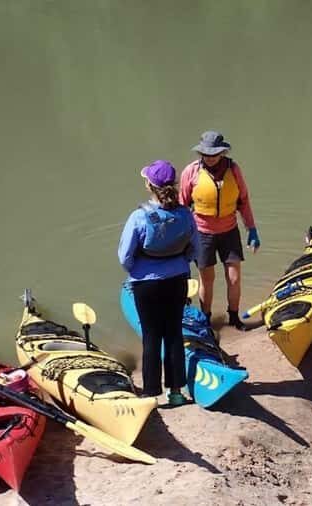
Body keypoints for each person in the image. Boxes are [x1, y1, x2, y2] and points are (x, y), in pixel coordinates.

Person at [118, 160, 199, 406]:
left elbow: (125, 257)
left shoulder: (139, 217)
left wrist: (140, 271)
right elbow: (194, 250)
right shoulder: (186, 214)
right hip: (177, 280)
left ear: (149, 186)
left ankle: (151, 393)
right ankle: (176, 392)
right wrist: (176, 263)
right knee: (174, 333)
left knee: (151, 336)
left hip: (147, 285)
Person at [179, 131, 260, 331]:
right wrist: (181, 238)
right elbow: (182, 205)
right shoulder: (191, 172)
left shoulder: (234, 170)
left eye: (214, 153)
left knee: (234, 276)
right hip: (202, 233)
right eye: (206, 154)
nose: (210, 157)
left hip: (229, 230)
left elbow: (244, 200)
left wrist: (251, 229)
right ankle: (206, 320)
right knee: (207, 279)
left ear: (222, 152)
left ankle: (234, 318)